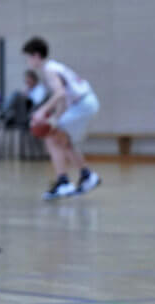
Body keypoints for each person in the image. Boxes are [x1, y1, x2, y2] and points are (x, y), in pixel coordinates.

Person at [22, 36, 101, 199]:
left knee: (51, 138)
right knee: (62, 139)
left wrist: (42, 111)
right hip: (85, 103)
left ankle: (63, 182)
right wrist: (55, 119)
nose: (28, 61)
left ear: (36, 55)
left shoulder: (48, 69)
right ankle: (87, 176)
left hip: (82, 104)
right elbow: (63, 102)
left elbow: (60, 93)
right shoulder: (54, 66)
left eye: (28, 57)